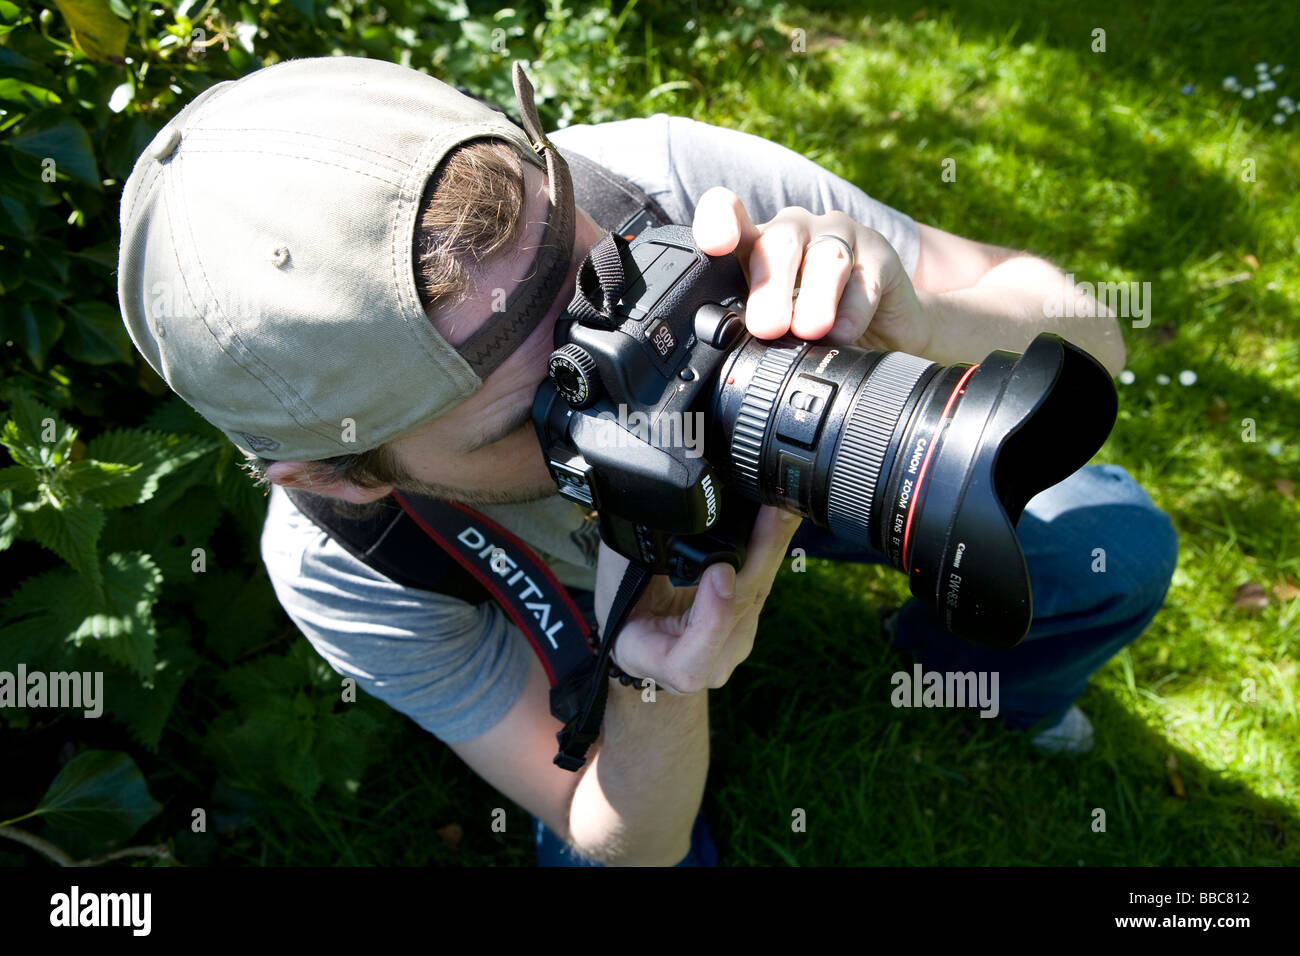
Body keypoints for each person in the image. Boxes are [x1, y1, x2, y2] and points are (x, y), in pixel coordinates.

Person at [117, 57, 1177, 867]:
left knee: (1109, 552)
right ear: (343, 472)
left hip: (806, 449)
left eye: (609, 288)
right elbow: (621, 836)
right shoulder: (353, 560)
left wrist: (916, 311)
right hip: (597, 627)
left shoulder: (669, 180)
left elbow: (1098, 339)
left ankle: (969, 675)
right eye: (546, 406)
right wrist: (651, 683)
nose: (629, 382)